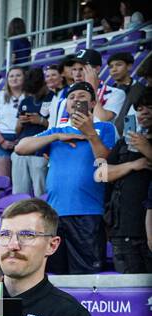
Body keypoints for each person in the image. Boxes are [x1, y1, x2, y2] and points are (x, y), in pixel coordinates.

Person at [15, 82, 116, 273]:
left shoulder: (105, 128)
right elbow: (20, 148)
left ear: (93, 103)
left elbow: (106, 161)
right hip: (55, 214)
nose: (75, 100)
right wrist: (57, 136)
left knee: (87, 277)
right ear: (66, 104)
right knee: (56, 276)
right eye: (71, 97)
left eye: (82, 96)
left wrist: (91, 134)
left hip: (89, 212)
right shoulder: (56, 131)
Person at [103, 93, 152, 273]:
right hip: (124, 230)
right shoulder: (125, 142)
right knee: (128, 289)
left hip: (148, 229)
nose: (144, 112)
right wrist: (133, 165)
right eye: (139, 109)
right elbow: (101, 174)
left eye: (149, 107)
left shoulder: (143, 144)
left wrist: (147, 149)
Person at [13, 67, 51, 197]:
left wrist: (40, 120)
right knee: (19, 192)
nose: (34, 94)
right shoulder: (25, 101)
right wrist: (21, 122)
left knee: (41, 191)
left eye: (36, 91)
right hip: (21, 150)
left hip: (41, 151)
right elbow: (16, 130)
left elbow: (57, 126)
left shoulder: (53, 98)